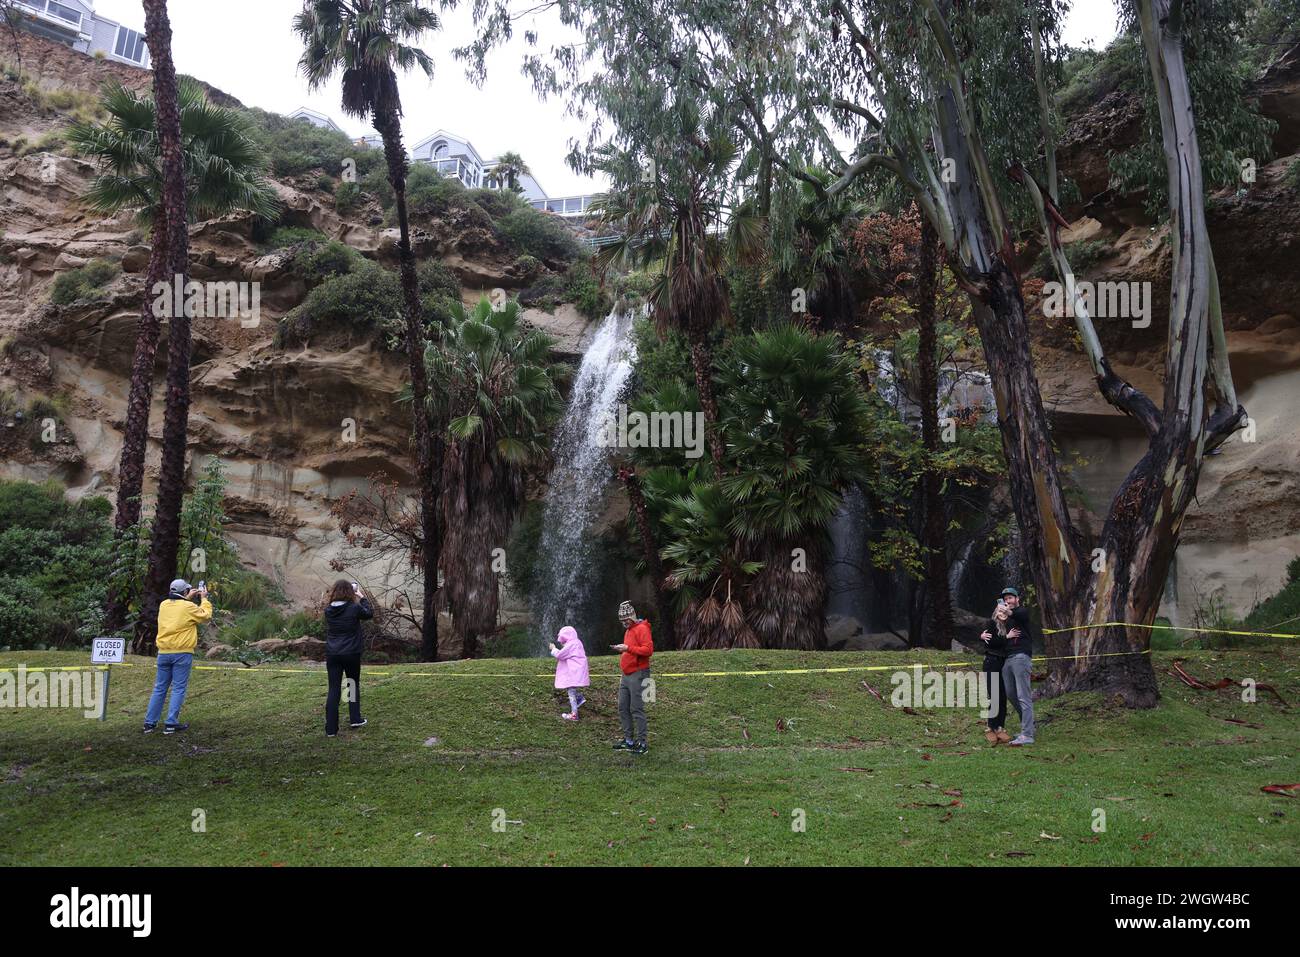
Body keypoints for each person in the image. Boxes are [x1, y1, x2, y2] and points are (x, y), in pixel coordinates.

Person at [143, 578, 212, 734]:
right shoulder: (188, 607)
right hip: (182, 653)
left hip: (163, 653)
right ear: (185, 592)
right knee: (178, 688)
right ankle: (170, 723)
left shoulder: (164, 605)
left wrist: (187, 597)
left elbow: (178, 607)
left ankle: (149, 724)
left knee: (159, 688)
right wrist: (204, 598)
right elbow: (206, 615)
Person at [323, 579, 373, 737]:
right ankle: (355, 718)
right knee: (351, 683)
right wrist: (361, 596)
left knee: (334, 689)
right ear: (350, 592)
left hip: (333, 654)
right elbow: (369, 613)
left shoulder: (328, 610)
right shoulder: (354, 608)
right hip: (351, 653)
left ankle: (331, 729)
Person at [611, 600, 653, 755]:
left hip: (639, 673)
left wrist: (627, 648)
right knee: (623, 707)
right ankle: (629, 741)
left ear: (633, 617)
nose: (624, 624)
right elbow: (631, 649)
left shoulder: (642, 628)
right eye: (622, 621)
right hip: (626, 674)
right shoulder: (629, 629)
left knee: (637, 709)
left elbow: (648, 650)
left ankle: (642, 743)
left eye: (626, 620)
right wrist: (622, 649)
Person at [998, 586, 1036, 746]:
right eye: (1005, 599)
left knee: (1023, 696)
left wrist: (1007, 611)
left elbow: (1017, 614)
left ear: (1017, 599)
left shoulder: (1021, 612)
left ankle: (1027, 735)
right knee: (1011, 694)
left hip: (1021, 656)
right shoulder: (1006, 619)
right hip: (1008, 659)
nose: (1008, 601)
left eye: (1010, 598)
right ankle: (1029, 726)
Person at [978, 600, 1012, 744]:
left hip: (1004, 663)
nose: (1002, 614)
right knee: (995, 696)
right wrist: (1007, 638)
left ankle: (1000, 727)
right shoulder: (991, 624)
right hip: (991, 662)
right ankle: (990, 727)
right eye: (1000, 611)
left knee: (1003, 696)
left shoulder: (1010, 626)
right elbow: (992, 642)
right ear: (995, 613)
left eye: (1005, 612)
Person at [549, 626, 589, 720]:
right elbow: (565, 654)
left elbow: (560, 655)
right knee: (571, 688)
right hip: (577, 671)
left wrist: (553, 649)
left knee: (571, 690)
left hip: (573, 672)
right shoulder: (577, 642)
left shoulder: (571, 644)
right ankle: (579, 699)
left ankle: (574, 715)